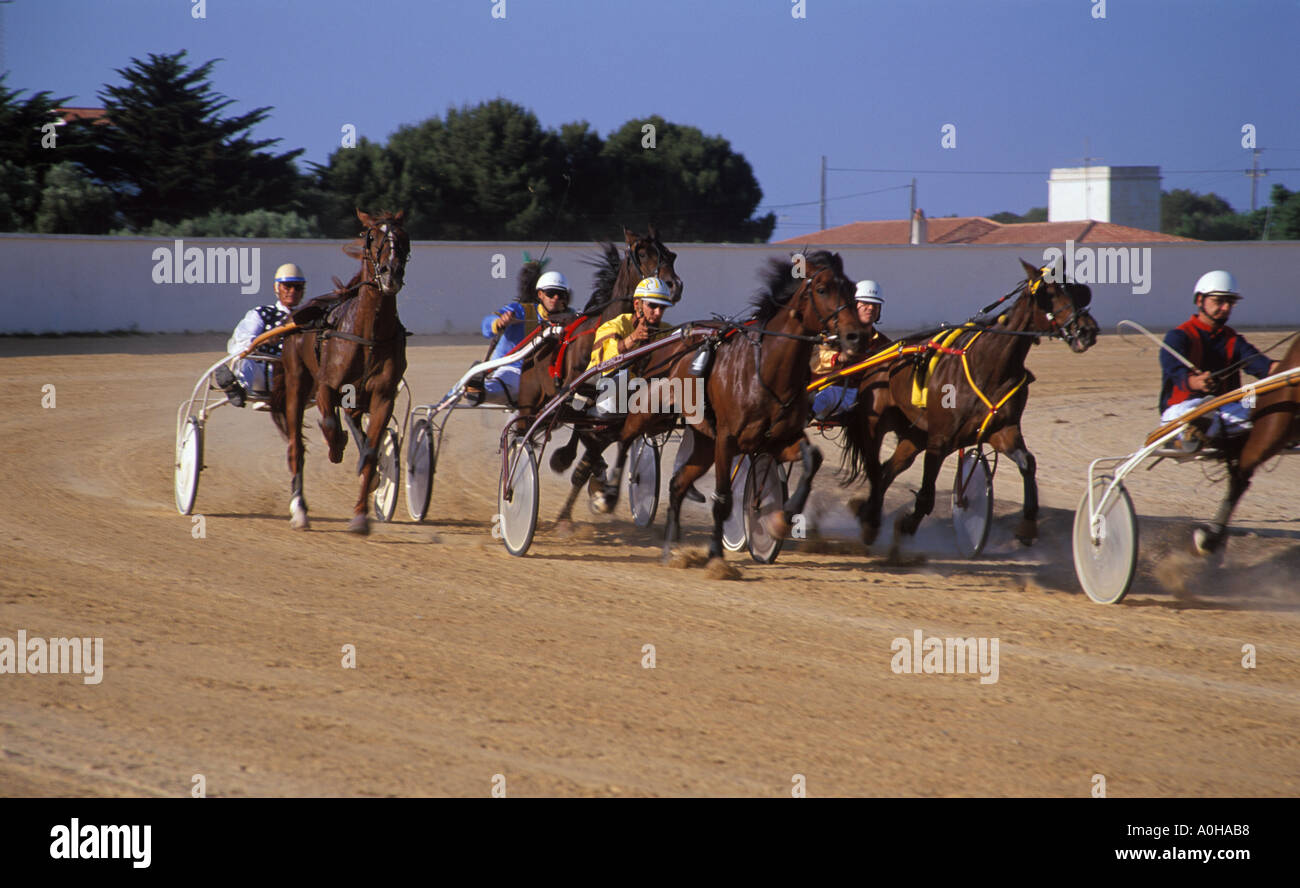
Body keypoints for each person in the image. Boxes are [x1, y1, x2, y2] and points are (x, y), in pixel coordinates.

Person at [1159, 270, 1278, 445]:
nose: (1226, 308)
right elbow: (1175, 371)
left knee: (1262, 405)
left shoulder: (1233, 340)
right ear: (1200, 300)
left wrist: (1291, 370)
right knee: (1195, 411)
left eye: (1230, 303)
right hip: (1182, 410)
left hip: (1225, 412)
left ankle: (1201, 433)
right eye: (1219, 301)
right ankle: (1192, 432)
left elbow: (1265, 367)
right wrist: (1196, 382)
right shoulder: (1178, 336)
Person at [466, 270, 572, 405]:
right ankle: (478, 391)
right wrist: (498, 322)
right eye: (550, 293)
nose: (555, 298)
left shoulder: (572, 318)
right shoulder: (520, 310)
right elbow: (486, 325)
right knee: (515, 386)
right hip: (514, 368)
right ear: (540, 294)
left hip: (550, 373)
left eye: (561, 295)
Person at [215, 262, 305, 408]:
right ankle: (237, 388)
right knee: (244, 358)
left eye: (298, 287)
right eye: (287, 286)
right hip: (263, 375)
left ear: (303, 291)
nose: (293, 291)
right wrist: (264, 341)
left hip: (295, 376)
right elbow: (242, 340)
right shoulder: (262, 314)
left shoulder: (308, 318)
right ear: (277, 288)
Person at [810, 279, 892, 421]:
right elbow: (816, 359)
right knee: (819, 400)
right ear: (853, 306)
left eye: (875, 305)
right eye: (865, 303)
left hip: (867, 395)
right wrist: (840, 358)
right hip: (832, 392)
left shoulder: (884, 343)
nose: (871, 308)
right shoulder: (833, 336)